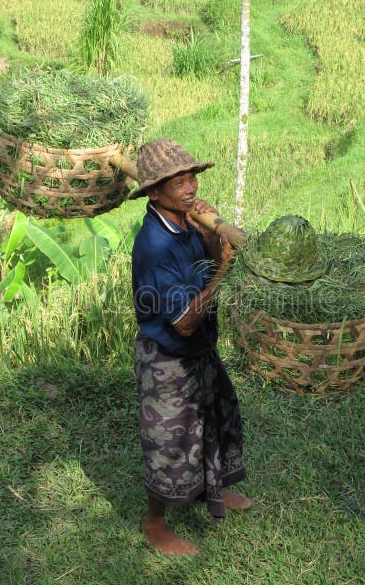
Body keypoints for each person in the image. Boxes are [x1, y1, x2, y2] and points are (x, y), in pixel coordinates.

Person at [130, 137, 252, 557]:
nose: (190, 188)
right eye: (177, 182)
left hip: (201, 346)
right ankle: (155, 523)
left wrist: (210, 233)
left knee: (217, 416)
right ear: (153, 192)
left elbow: (209, 252)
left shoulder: (183, 221)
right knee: (170, 441)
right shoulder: (155, 244)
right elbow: (182, 322)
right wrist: (225, 268)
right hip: (167, 355)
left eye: (191, 177)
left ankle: (211, 489)